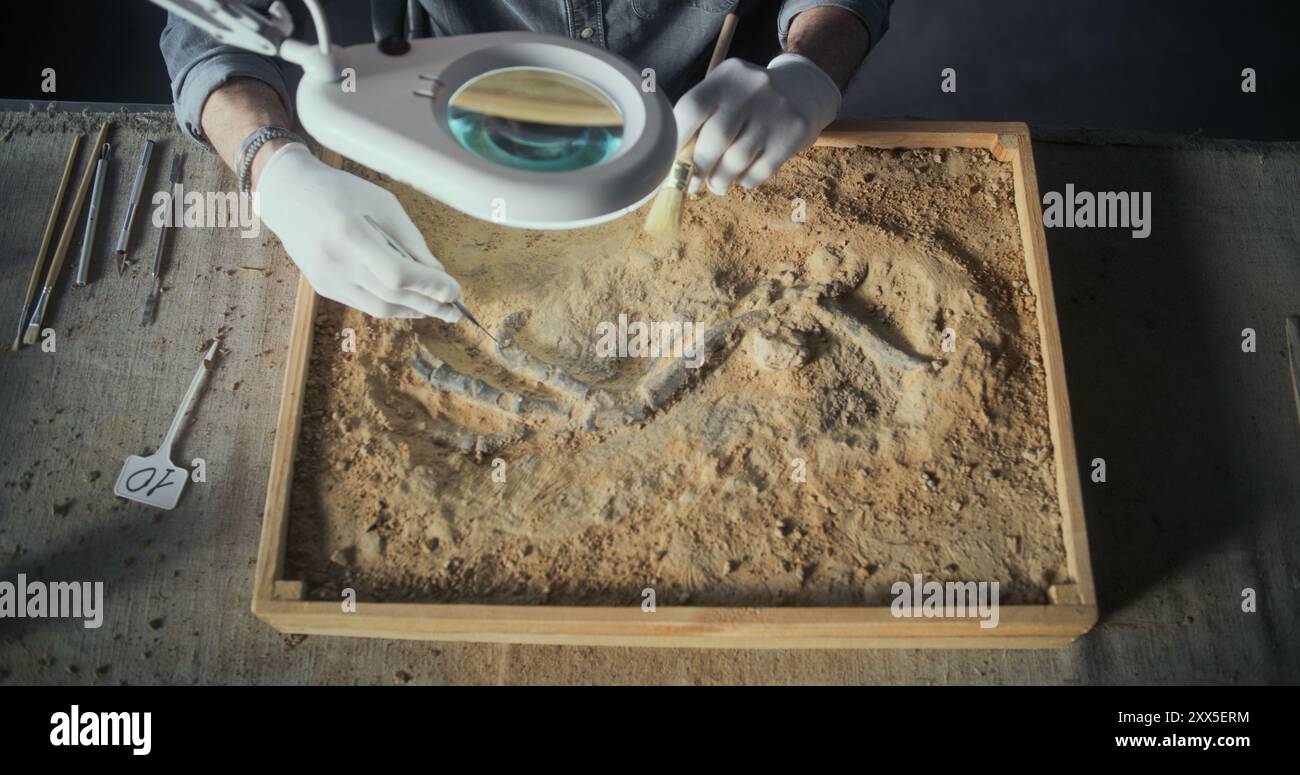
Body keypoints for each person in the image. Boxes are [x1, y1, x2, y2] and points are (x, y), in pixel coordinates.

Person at [160, 1, 892, 320]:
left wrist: (808, 68)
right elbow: (210, 28)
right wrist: (273, 165)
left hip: (714, 115)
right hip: (451, 115)